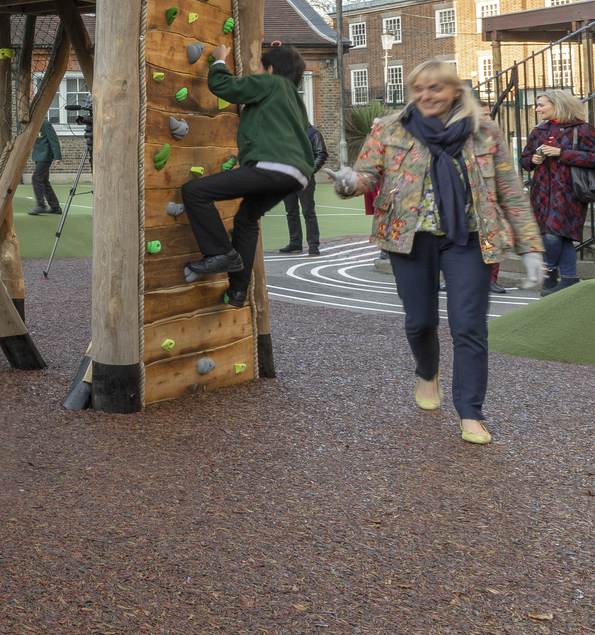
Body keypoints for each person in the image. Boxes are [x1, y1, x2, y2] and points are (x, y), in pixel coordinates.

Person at [334, 60, 544, 445]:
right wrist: (349, 182)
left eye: (436, 88)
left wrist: (530, 247)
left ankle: (470, 412)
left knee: (469, 324)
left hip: (469, 237)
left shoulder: (485, 130)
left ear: (455, 91)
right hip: (407, 236)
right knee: (419, 321)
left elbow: (510, 190)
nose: (426, 96)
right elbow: (367, 174)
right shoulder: (389, 127)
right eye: (419, 89)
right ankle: (427, 370)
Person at [178, 45, 316, 305]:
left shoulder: (271, 83)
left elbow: (226, 88)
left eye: (259, 67)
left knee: (194, 191)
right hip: (295, 174)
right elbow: (277, 135)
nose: (255, 71)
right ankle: (238, 291)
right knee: (246, 219)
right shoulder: (294, 99)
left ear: (271, 70)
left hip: (274, 168)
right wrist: (245, 158)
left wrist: (219, 61)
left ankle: (221, 253)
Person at [517, 89, 590, 295]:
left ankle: (547, 268)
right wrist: (532, 160)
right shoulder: (539, 131)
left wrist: (563, 153)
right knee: (561, 236)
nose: (537, 108)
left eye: (541, 105)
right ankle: (569, 278)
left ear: (557, 105)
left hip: (569, 192)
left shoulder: (583, 129)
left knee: (552, 234)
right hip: (541, 192)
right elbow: (524, 160)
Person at [276, 120, 328, 257]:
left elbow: (321, 154)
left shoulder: (313, 134)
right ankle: (295, 243)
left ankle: (313, 245)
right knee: (291, 211)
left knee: (308, 211)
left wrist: (309, 171)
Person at [26, 115, 62, 215]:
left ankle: (41, 205)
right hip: (39, 156)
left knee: (36, 178)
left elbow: (53, 140)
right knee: (44, 181)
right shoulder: (33, 124)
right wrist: (35, 157)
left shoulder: (45, 123)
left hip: (45, 155)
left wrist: (57, 156)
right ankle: (55, 207)